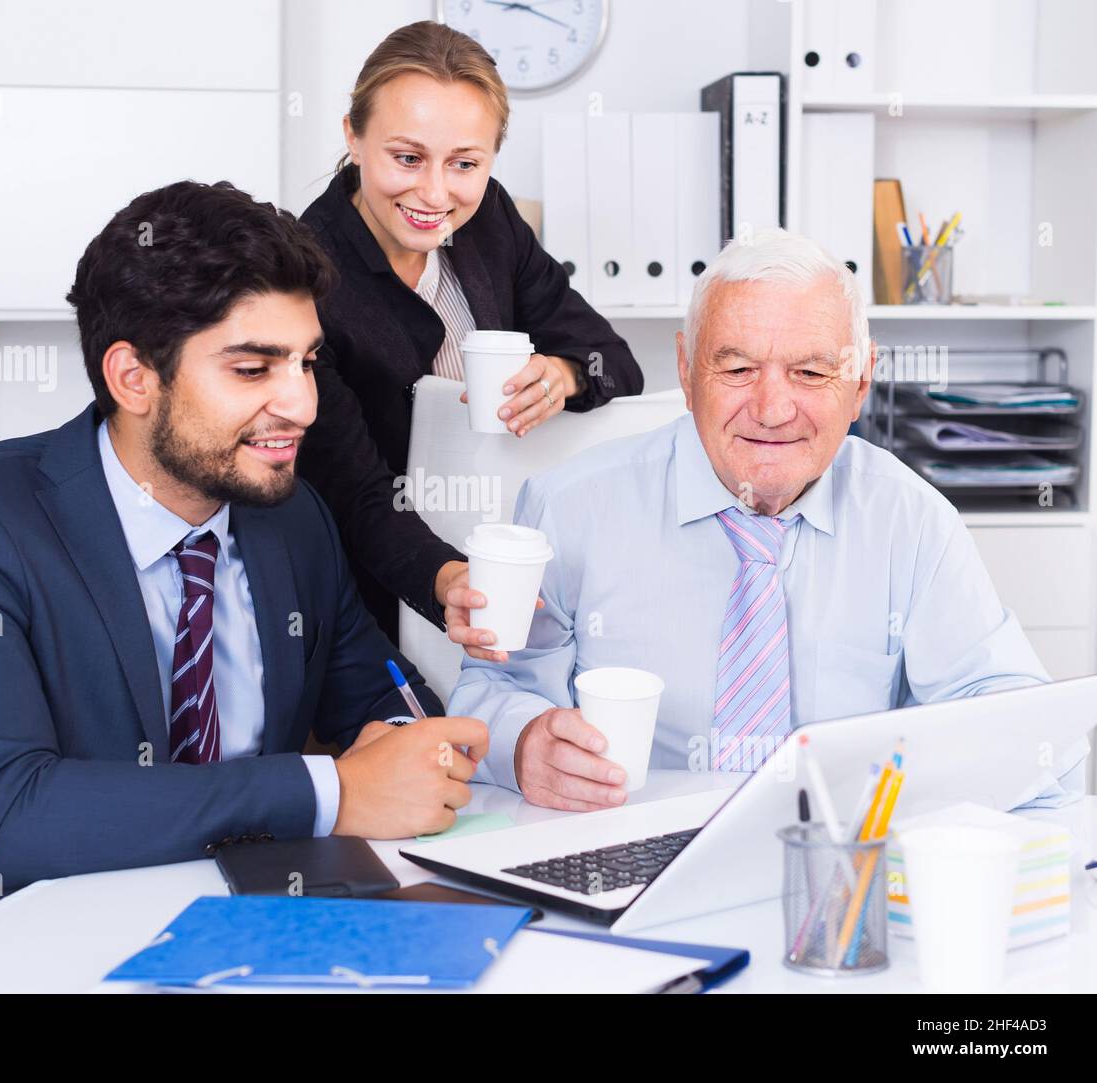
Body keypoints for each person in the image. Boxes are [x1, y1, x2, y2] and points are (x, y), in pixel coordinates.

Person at [0, 180, 487, 952]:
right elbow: (9, 814)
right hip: (36, 951)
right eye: (252, 369)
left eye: (306, 361)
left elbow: (381, 698)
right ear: (133, 377)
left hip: (255, 937)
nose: (302, 404)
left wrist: (416, 748)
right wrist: (330, 789)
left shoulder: (293, 517)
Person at [449, 229, 1085, 811]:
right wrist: (525, 742)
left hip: (837, 859)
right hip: (624, 839)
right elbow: (492, 689)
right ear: (687, 368)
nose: (773, 409)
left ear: (862, 381)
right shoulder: (570, 507)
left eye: (811, 372)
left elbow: (1006, 710)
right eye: (737, 368)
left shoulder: (910, 519)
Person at [298, 20, 643, 653]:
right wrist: (449, 578)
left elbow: (615, 360)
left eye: (465, 163)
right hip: (378, 594)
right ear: (353, 136)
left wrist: (564, 376)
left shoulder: (490, 222)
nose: (434, 193)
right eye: (407, 158)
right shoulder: (304, 275)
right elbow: (354, 496)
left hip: (504, 550)